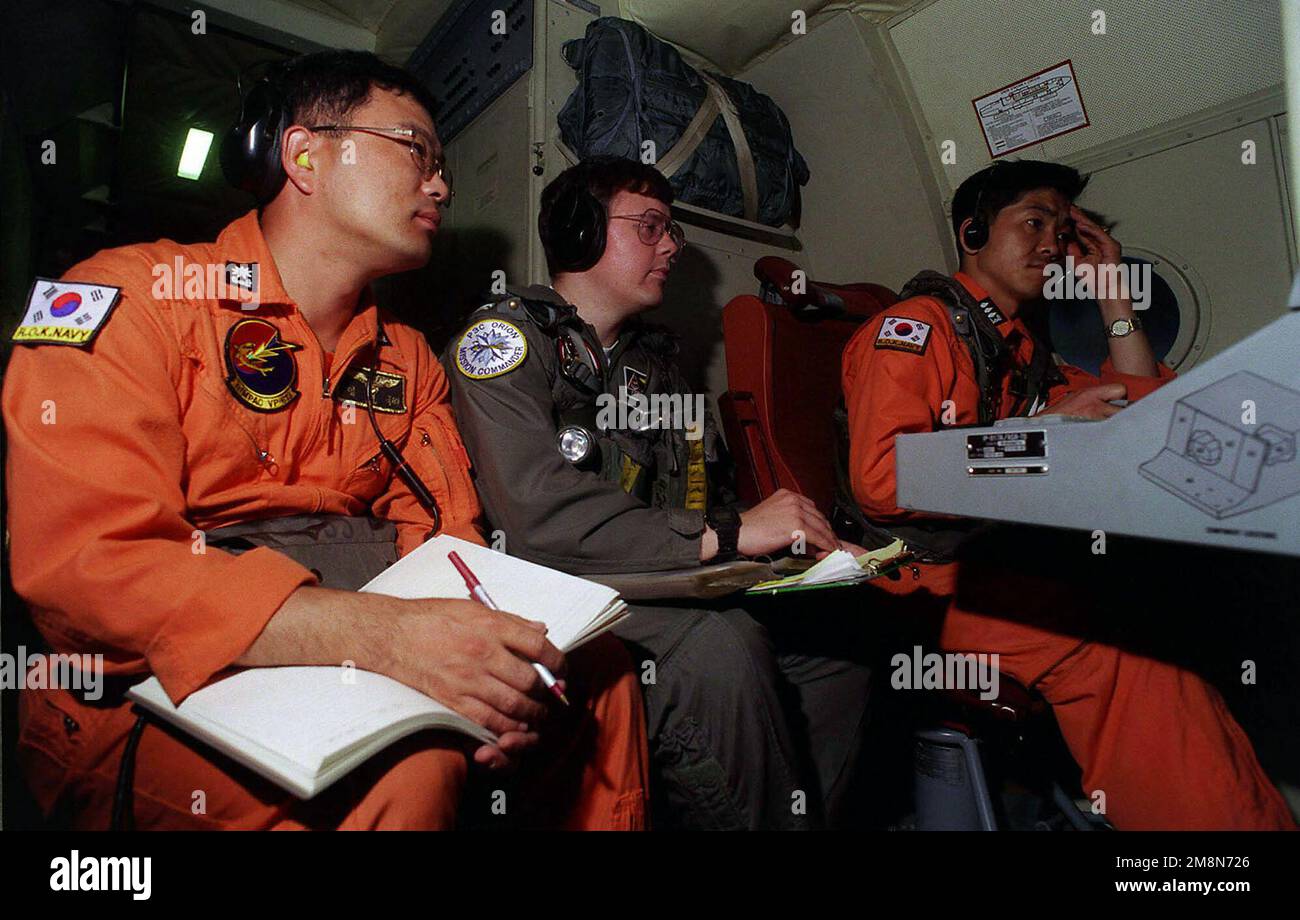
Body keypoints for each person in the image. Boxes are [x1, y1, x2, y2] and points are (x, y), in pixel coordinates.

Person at [3, 51, 648, 830]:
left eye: (442, 165)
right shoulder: (124, 298)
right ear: (304, 154)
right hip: (137, 696)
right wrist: (380, 640)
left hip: (349, 655)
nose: (441, 184)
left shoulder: (408, 358)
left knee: (601, 672)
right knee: (408, 776)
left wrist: (490, 674)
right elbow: (89, 569)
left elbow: (447, 549)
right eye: (417, 151)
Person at [838, 158, 1296, 829]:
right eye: (1033, 222)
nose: (1052, 242)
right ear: (972, 232)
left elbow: (1135, 408)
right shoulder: (918, 327)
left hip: (997, 564)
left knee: (1194, 591)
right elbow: (882, 478)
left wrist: (1112, 291)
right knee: (1124, 653)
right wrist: (1043, 427)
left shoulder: (1021, 349)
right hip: (922, 588)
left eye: (1062, 228)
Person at [445, 156, 873, 829]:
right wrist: (728, 535)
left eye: (671, 231)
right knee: (719, 646)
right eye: (650, 227)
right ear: (584, 233)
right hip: (551, 582)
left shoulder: (657, 366)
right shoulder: (503, 340)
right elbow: (533, 519)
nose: (671, 245)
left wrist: (789, 554)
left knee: (841, 639)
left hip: (654, 569)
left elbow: (698, 494)